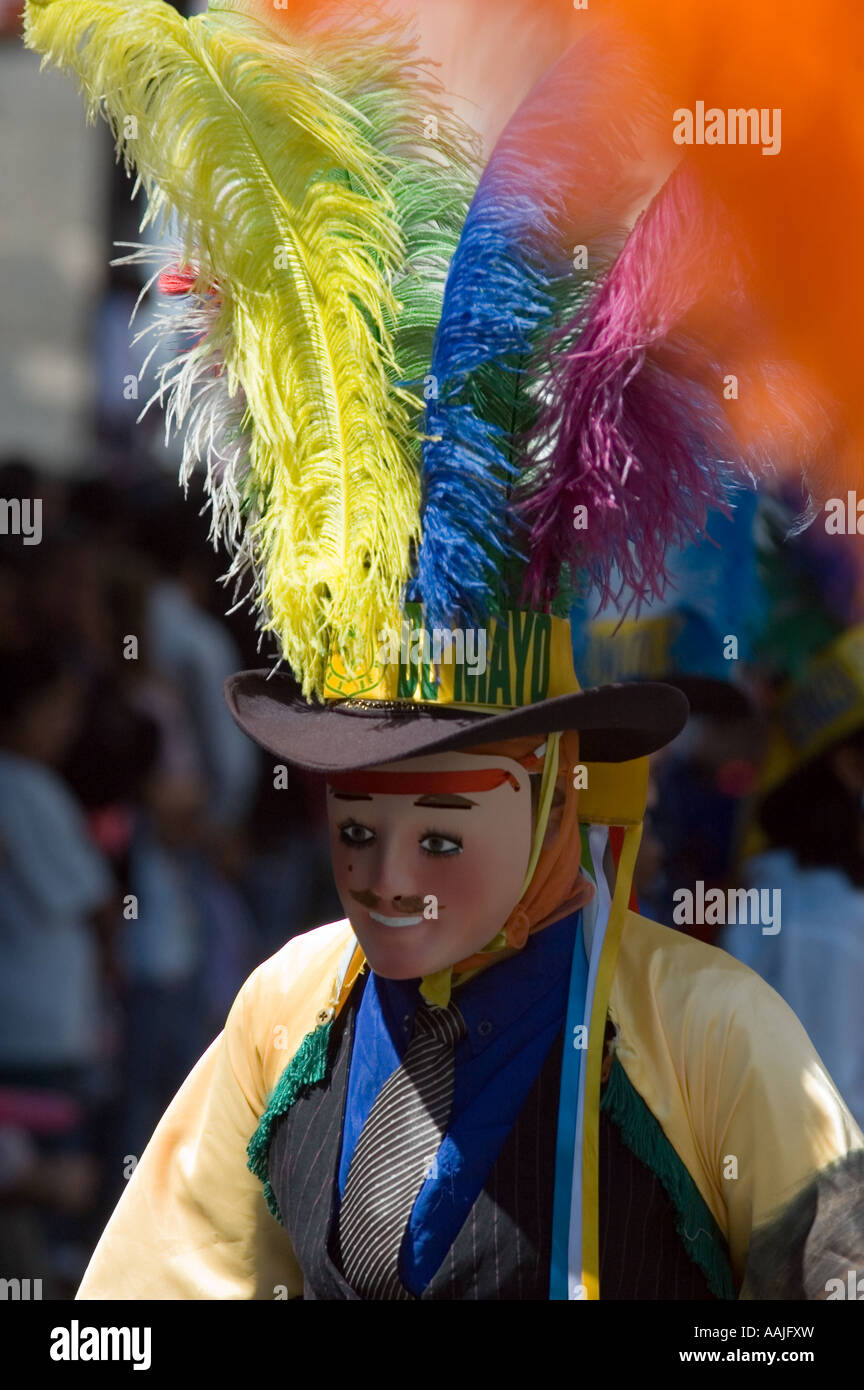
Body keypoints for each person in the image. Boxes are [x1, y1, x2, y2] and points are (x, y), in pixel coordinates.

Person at [26, 0, 864, 1300]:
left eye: (438, 831)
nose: (385, 877)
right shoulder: (295, 1005)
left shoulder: (703, 1030)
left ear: (546, 803)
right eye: (359, 831)